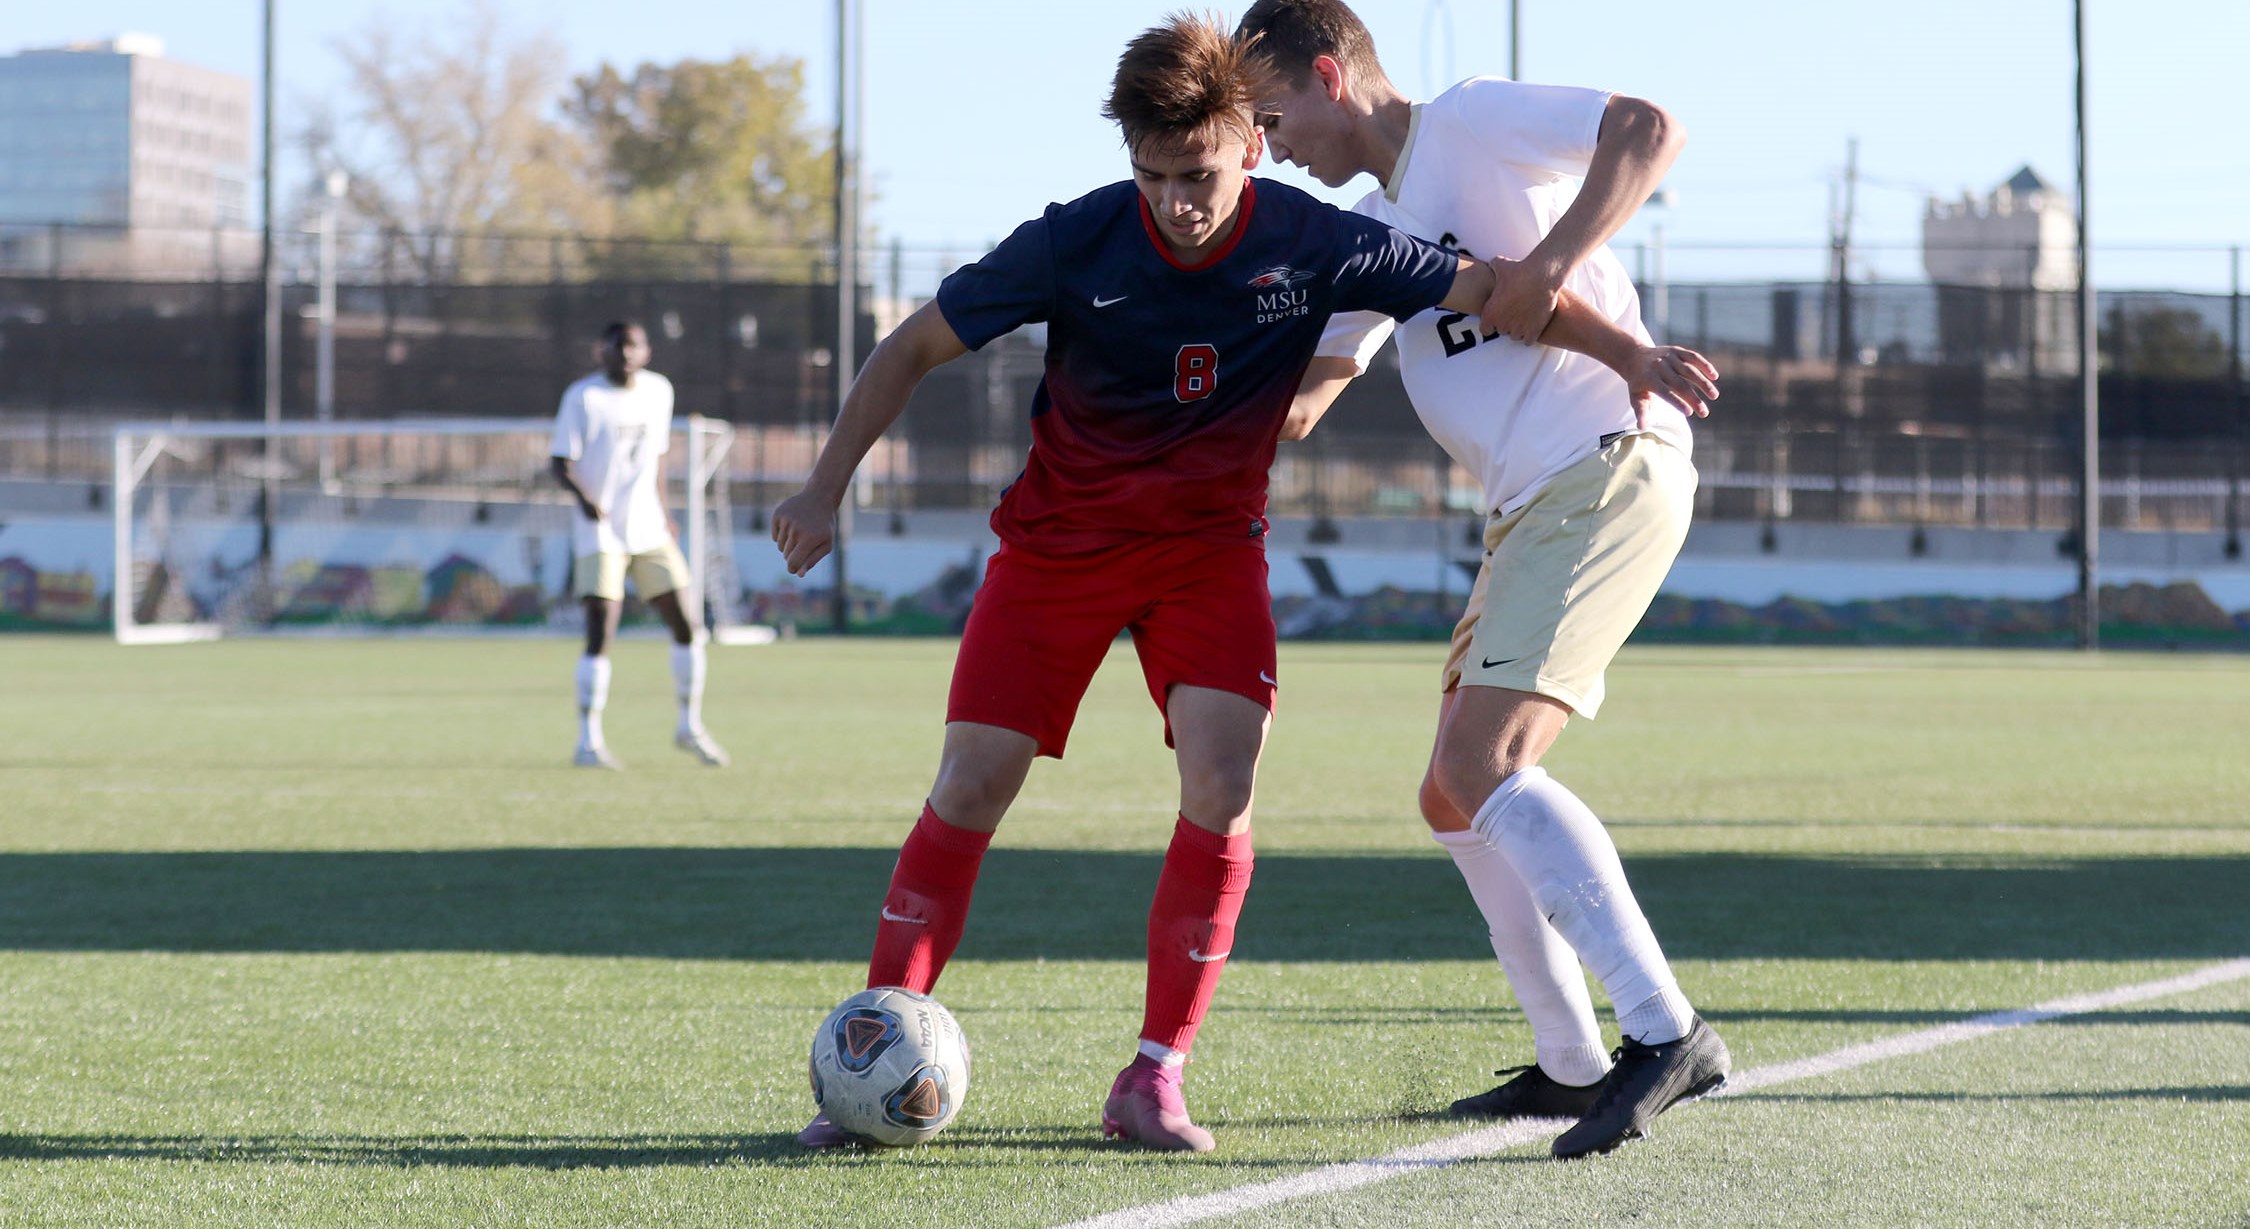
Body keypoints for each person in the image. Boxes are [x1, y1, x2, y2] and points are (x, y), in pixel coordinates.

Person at [772, 12, 1708, 1154]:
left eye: (1200, 172)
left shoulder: (1324, 237)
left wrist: (1634, 358)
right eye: (1155, 176)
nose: (1178, 199)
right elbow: (912, 344)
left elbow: (1499, 287)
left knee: (1228, 780)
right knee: (973, 779)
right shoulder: (1078, 239)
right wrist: (823, 489)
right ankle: (871, 1048)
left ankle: (1155, 1076)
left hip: (1214, 555)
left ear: (1252, 141)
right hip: (1058, 548)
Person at [1238, 0, 1729, 1160]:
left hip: (1606, 463)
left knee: (1484, 765)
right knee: (1453, 796)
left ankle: (1668, 1032)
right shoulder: (1369, 234)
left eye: (1272, 114)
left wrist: (1550, 263)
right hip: (1532, 512)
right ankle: (1571, 1065)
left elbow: (1652, 126)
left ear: (1328, 76)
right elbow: (1305, 398)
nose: (1269, 143)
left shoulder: (1467, 123)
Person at [549, 320, 729, 770]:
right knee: (601, 631)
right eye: (617, 346)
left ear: (646, 352)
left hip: (648, 528)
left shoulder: (659, 391)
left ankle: (689, 725)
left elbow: (657, 457)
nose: (625, 354)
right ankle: (588, 740)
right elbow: (559, 462)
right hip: (602, 532)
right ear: (601, 351)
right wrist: (587, 502)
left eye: (633, 346)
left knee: (688, 626)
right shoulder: (583, 397)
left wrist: (665, 510)